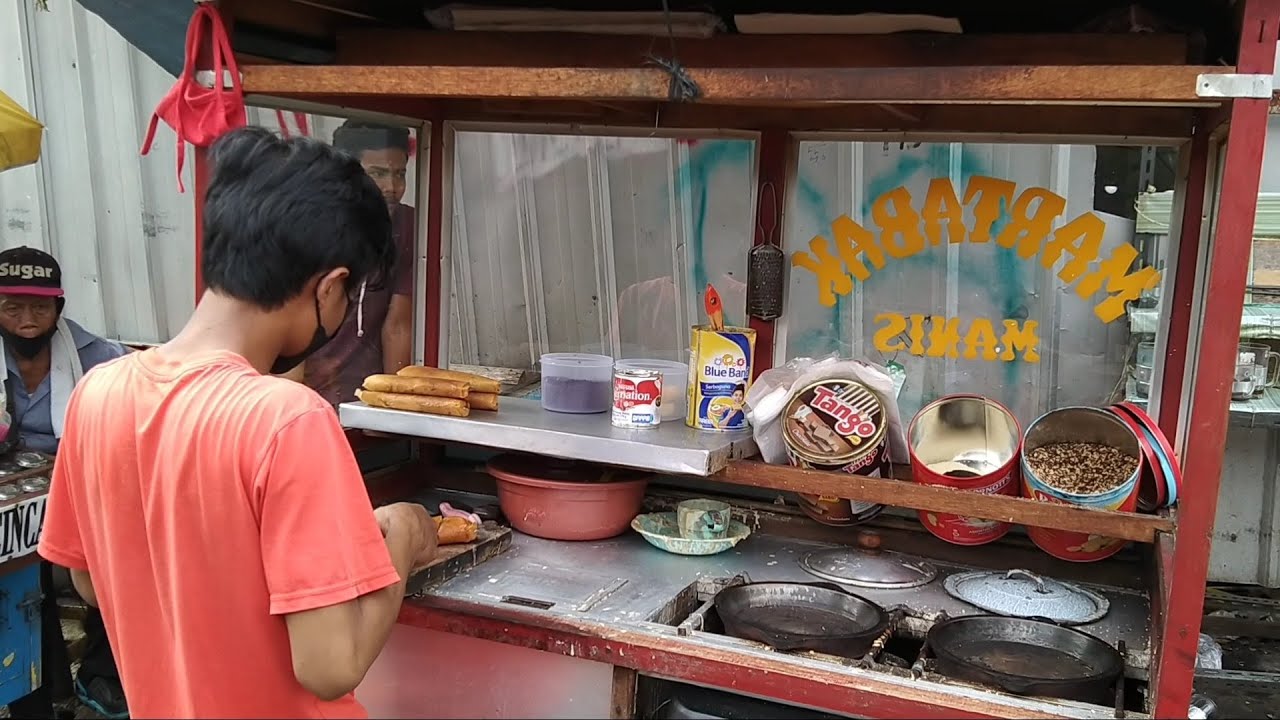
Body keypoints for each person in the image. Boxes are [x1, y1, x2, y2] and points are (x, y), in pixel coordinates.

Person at [37, 127, 438, 718]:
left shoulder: (98, 393)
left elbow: (92, 584)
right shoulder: (287, 420)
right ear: (329, 287)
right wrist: (403, 538)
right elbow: (330, 666)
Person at [0, 247, 128, 719]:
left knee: (113, 563)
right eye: (12, 308)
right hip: (17, 506)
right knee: (21, 581)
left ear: (59, 307)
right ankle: (38, 689)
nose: (27, 320)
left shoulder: (102, 360)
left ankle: (101, 676)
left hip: (85, 500)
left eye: (39, 307)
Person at [301, 120, 415, 405]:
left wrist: (394, 410)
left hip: (366, 394)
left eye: (400, 174)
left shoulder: (408, 225)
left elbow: (398, 326)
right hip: (306, 388)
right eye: (377, 173)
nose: (392, 187)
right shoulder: (309, 224)